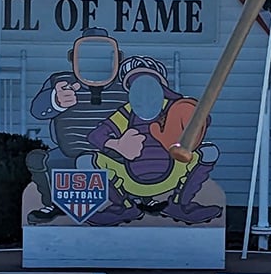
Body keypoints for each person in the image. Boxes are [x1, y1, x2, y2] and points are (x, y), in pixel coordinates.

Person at [85, 56, 222, 225]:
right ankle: (124, 206)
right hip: (131, 179)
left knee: (208, 152)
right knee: (86, 161)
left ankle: (180, 204)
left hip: (171, 175)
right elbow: (96, 136)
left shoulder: (174, 108)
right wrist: (117, 145)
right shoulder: (126, 113)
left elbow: (201, 121)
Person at [25, 28, 127, 224]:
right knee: (40, 160)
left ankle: (131, 202)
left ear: (117, 58)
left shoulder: (127, 84)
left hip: (116, 157)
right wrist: (56, 100)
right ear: (73, 58)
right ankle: (54, 203)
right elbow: (37, 110)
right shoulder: (60, 82)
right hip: (70, 154)